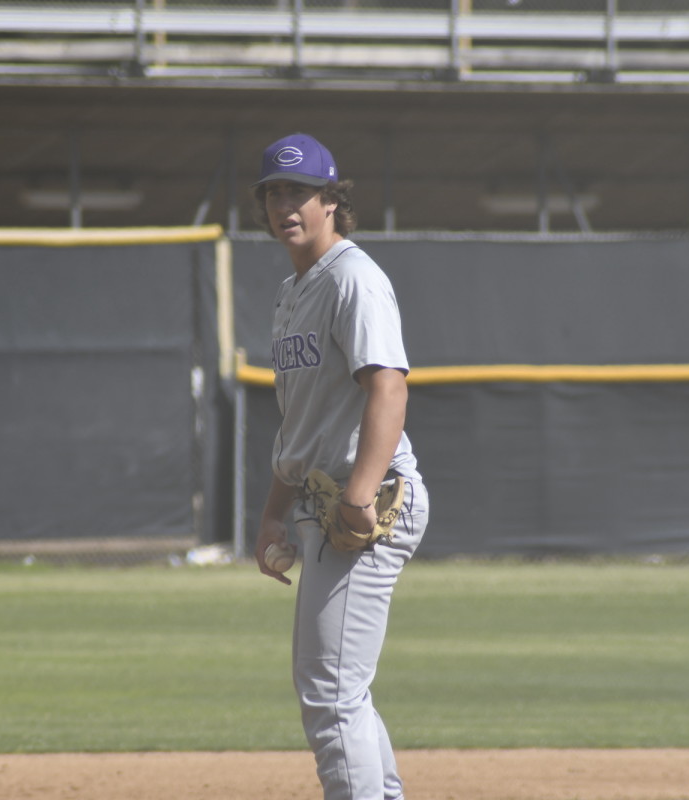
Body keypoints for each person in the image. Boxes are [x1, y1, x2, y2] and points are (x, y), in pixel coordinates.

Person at [251, 132, 430, 800]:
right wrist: (273, 512)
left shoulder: (353, 276)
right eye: (273, 191)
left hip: (369, 497)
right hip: (324, 497)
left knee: (329, 693)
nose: (284, 204)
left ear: (331, 200)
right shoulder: (292, 291)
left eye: (299, 191)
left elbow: (388, 386)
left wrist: (359, 495)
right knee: (339, 691)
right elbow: (301, 425)